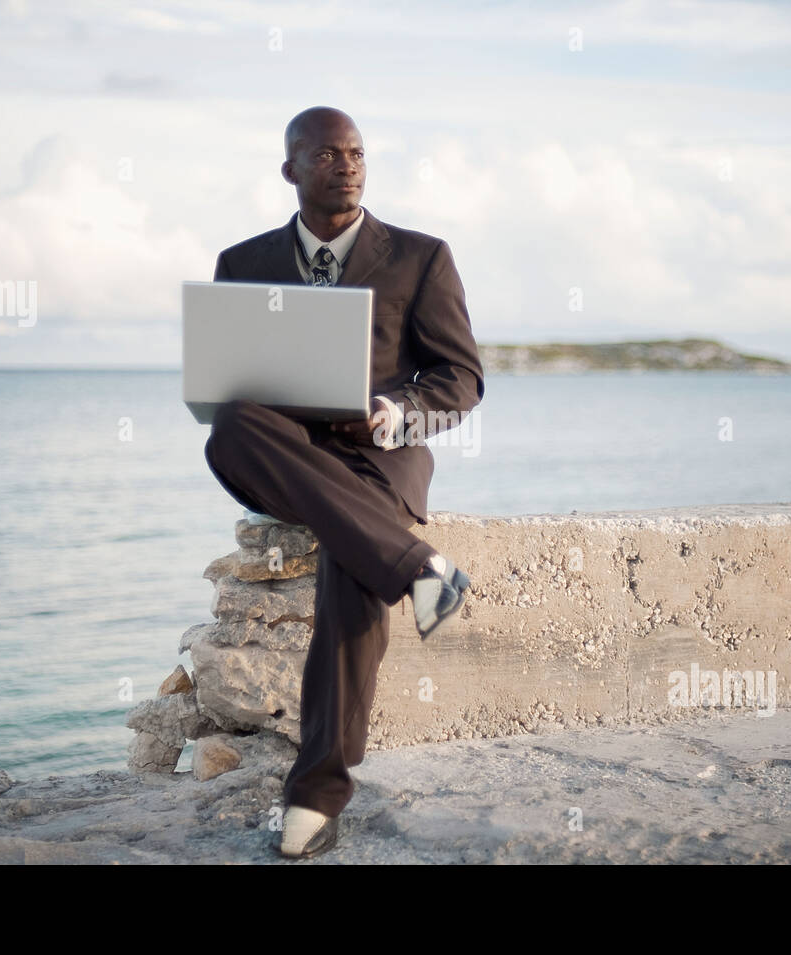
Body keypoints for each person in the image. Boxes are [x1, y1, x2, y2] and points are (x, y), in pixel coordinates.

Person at [204, 106, 485, 859]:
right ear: (291, 169)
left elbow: (460, 379)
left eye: (357, 152)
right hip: (279, 450)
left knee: (347, 568)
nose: (348, 164)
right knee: (228, 423)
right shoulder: (243, 262)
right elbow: (227, 382)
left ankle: (316, 796)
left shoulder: (421, 257)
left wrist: (400, 411)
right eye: (327, 154)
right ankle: (420, 569)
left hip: (378, 457)